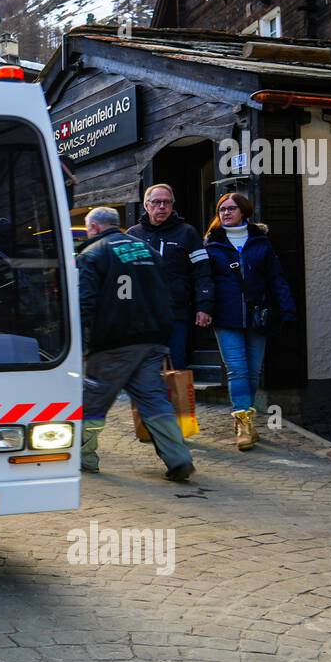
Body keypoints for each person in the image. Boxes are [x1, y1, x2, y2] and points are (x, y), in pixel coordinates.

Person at [77, 206, 195, 482]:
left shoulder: (92, 254)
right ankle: (179, 458)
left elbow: (85, 303)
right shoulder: (149, 252)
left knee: (93, 403)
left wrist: (83, 346)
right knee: (154, 399)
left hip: (112, 343)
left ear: (93, 228)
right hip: (153, 340)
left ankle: (85, 457)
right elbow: (167, 292)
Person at [203, 192, 297, 450]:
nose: (225, 213)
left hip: (258, 316)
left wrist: (287, 310)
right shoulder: (212, 244)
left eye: (231, 208)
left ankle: (247, 418)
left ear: (244, 211)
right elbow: (205, 282)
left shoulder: (261, 243)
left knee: (253, 371)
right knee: (237, 369)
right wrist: (204, 309)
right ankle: (243, 423)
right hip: (226, 316)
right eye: (222, 209)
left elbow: (276, 279)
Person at [127, 183, 214, 370]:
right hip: (143, 316)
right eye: (156, 202)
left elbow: (202, 271)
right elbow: (124, 275)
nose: (162, 207)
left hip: (177, 312)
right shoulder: (133, 235)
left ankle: (176, 400)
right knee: (144, 369)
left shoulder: (187, 233)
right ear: (146, 205)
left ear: (172, 205)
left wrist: (204, 305)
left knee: (177, 366)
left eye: (167, 202)